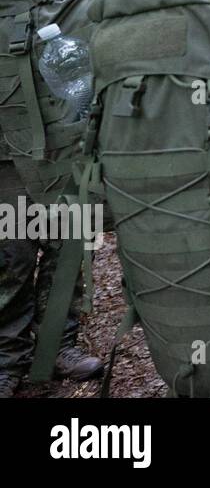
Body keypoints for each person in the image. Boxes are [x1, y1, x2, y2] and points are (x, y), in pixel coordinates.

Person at [0, 160, 102, 397]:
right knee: (9, 254)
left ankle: (57, 346)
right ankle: (6, 360)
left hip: (63, 149)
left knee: (69, 243)